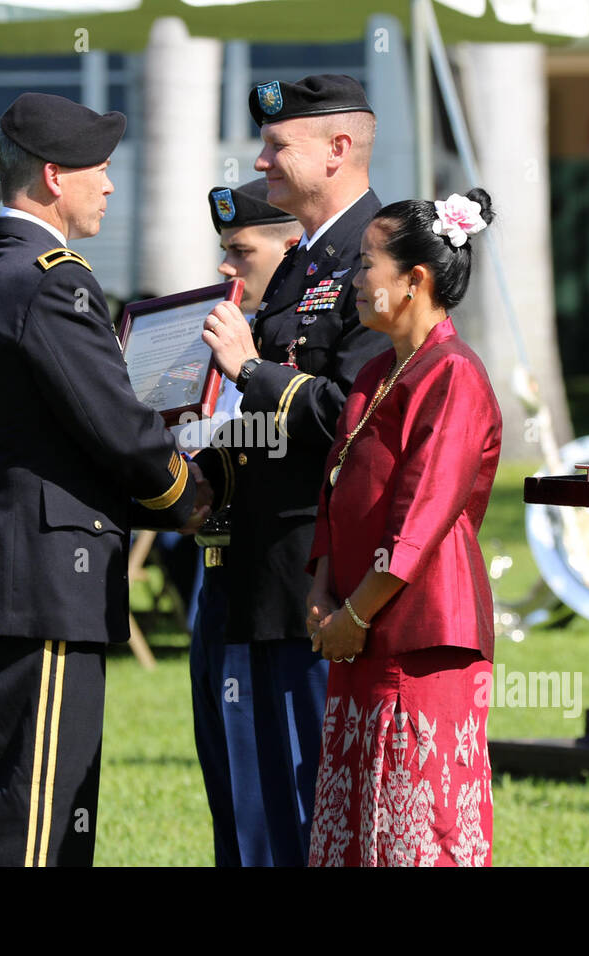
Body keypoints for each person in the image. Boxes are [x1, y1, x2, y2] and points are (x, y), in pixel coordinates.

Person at [0, 93, 210, 867]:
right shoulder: (51, 278)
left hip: (9, 567)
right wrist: (189, 497)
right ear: (54, 177)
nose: (111, 186)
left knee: (9, 803)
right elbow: (118, 428)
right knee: (36, 821)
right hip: (46, 579)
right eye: (100, 170)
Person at [194, 73, 387, 865]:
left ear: (338, 149)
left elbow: (359, 417)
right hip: (256, 572)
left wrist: (251, 371)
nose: (262, 162)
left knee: (314, 812)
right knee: (258, 816)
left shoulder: (382, 255)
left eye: (278, 147)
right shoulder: (309, 261)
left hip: (319, 578)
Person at [304, 192, 501, 867]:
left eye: (366, 265)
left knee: (419, 833)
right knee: (358, 828)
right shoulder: (376, 372)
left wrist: (354, 614)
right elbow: (335, 488)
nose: (355, 280)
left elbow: (420, 517)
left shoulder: (455, 376)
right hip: (357, 630)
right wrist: (324, 594)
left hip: (419, 638)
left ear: (413, 280)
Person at [189, 178, 298, 867]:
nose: (227, 268)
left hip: (276, 586)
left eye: (241, 251)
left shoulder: (293, 351)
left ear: (292, 250)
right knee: (231, 795)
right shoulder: (223, 342)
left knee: (277, 797)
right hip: (215, 584)